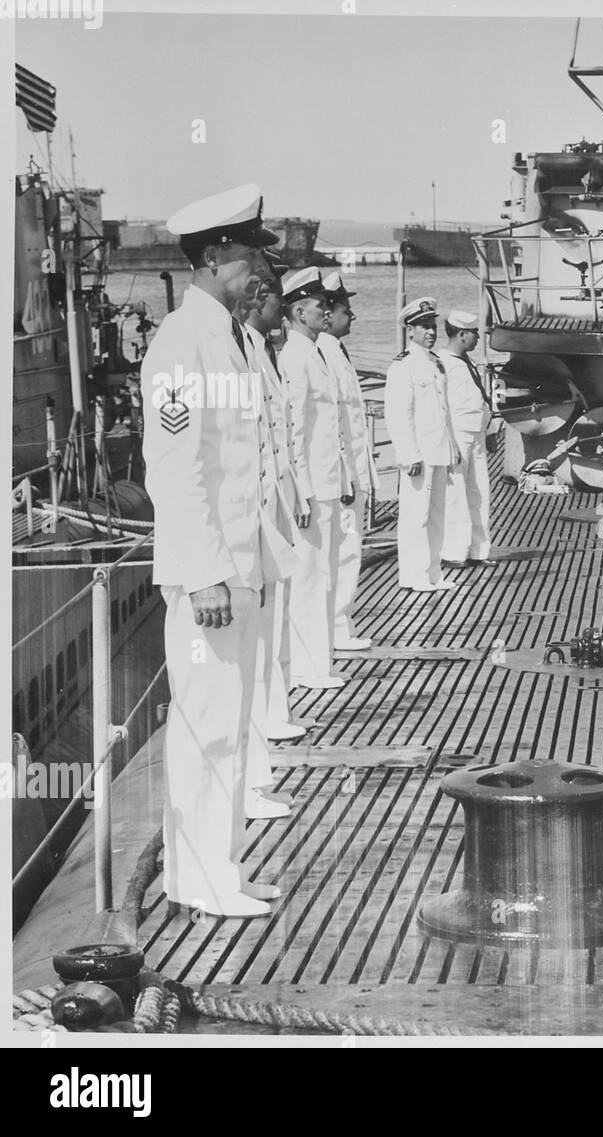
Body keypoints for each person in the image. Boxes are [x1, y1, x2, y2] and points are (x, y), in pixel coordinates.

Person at [141, 183, 294, 918]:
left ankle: (219, 867)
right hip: (209, 577)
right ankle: (198, 877)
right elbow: (175, 471)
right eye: (246, 253)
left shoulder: (235, 336)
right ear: (213, 256)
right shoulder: (180, 342)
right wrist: (204, 574)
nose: (258, 267)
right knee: (205, 724)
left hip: (241, 568)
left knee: (231, 722)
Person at [243, 257, 310, 808]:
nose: (279, 309)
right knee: (250, 646)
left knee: (272, 630)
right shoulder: (237, 351)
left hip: (273, 511)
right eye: (273, 298)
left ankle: (271, 718)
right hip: (249, 525)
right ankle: (247, 778)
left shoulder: (262, 353)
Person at [282, 267, 358, 689]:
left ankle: (320, 663)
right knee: (310, 580)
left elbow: (332, 429)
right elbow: (293, 433)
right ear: (298, 311)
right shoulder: (295, 357)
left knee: (324, 577)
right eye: (318, 307)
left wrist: (343, 479)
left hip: (329, 484)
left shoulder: (315, 353)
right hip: (312, 490)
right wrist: (302, 494)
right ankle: (306, 669)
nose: (325, 313)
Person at [384, 297, 462, 590]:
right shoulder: (403, 365)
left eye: (432, 326)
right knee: (416, 518)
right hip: (419, 454)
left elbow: (444, 412)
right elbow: (398, 413)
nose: (430, 332)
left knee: (438, 516)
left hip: (439, 450)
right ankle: (413, 576)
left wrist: (453, 448)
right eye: (424, 327)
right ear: (410, 330)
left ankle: (433, 573)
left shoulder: (435, 362)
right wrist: (409, 454)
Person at [318, 270, 374, 650]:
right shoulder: (323, 352)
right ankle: (335, 628)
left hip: (352, 473)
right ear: (329, 314)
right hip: (342, 478)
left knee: (348, 552)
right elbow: (332, 424)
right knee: (341, 553)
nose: (350, 316)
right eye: (345, 310)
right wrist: (345, 478)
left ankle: (341, 625)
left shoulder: (335, 351)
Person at [439, 310, 496, 568]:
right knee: (456, 495)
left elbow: (480, 399)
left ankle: (478, 550)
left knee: (479, 493)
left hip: (476, 433)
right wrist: (448, 442)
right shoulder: (442, 362)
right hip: (458, 434)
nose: (477, 338)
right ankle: (453, 551)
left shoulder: (466, 361)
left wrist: (490, 430)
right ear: (461, 334)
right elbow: (442, 408)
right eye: (473, 333)